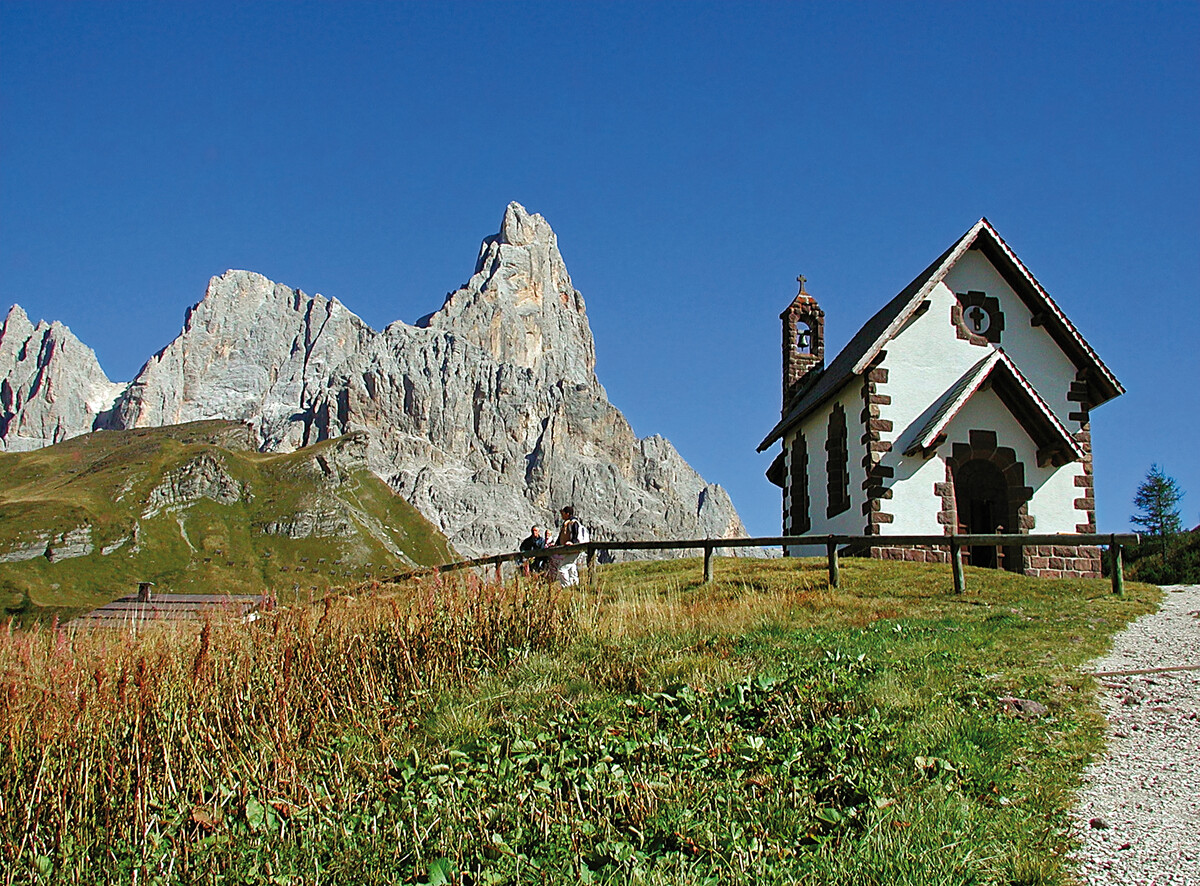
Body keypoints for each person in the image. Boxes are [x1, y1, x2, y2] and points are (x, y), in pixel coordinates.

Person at [547, 506, 585, 587]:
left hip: (574, 549)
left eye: (563, 513)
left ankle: (566, 586)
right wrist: (556, 544)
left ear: (567, 514)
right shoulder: (567, 523)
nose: (562, 515)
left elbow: (576, 535)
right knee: (572, 567)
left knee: (562, 569)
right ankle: (575, 585)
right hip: (570, 549)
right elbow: (561, 536)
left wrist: (573, 542)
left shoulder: (574, 523)